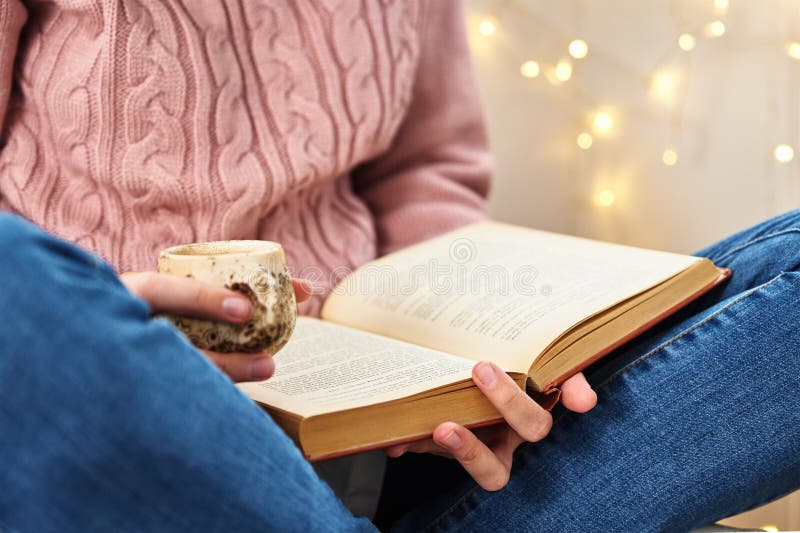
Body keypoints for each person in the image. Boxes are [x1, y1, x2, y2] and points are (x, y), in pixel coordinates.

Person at [0, 1, 797, 531]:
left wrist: (474, 368)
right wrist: (91, 325)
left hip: (381, 433)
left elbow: (426, 169)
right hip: (133, 412)